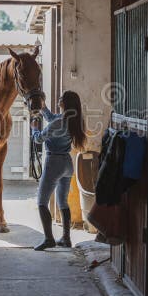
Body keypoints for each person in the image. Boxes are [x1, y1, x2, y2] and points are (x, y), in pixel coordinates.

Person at [30, 90, 87, 251]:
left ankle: (49, 239)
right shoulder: (72, 120)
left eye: (61, 98)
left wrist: (34, 128)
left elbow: (39, 138)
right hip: (67, 164)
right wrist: (43, 107)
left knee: (41, 202)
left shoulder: (58, 123)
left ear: (65, 103)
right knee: (63, 201)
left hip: (53, 162)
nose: (59, 99)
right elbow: (51, 117)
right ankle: (66, 238)